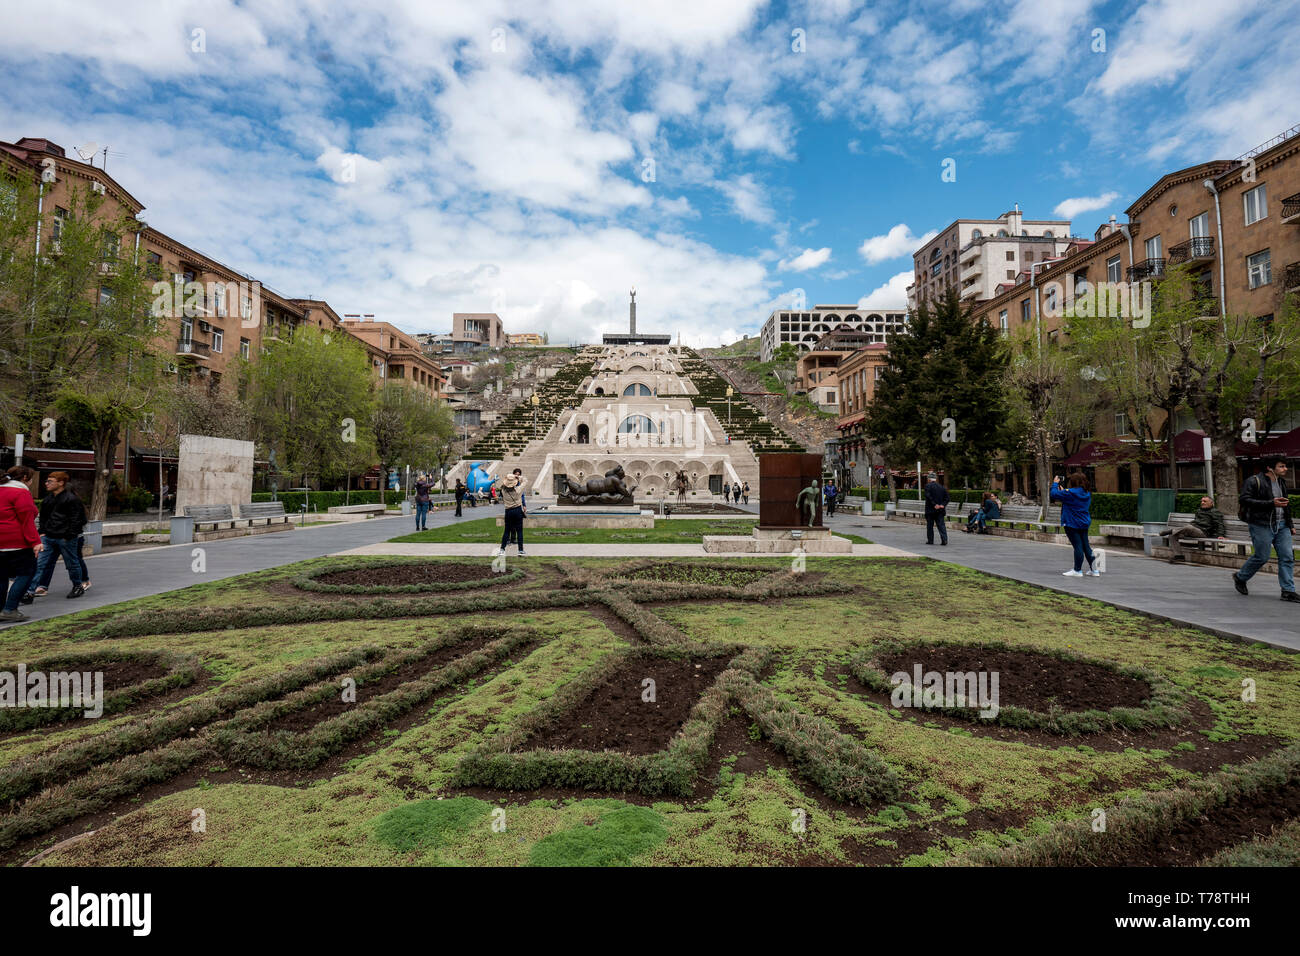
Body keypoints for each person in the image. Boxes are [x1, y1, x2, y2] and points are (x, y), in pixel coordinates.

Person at [1233, 457, 1295, 602]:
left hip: (1282, 525)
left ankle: (1288, 590)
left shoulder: (1281, 482)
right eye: (1282, 466)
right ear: (1270, 468)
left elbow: (1286, 505)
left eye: (1285, 466)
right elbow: (1244, 499)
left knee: (1287, 557)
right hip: (1261, 524)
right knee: (1262, 556)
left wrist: (1290, 525)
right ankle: (1241, 577)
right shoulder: (1254, 481)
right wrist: (1270, 503)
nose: (1285, 469)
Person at [28, 471, 88, 599]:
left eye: (50, 481)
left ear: (61, 483)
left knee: (71, 564)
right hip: (49, 537)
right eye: (46, 481)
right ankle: (30, 592)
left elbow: (78, 519)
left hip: (65, 538)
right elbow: (43, 517)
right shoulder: (48, 499)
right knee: (39, 563)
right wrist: (43, 532)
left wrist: (69, 535)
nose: (46, 483)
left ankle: (77, 586)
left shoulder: (72, 499)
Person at [1, 466, 42, 623]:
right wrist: (36, 542)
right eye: (31, 478)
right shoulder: (21, 492)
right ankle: (10, 608)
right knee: (27, 573)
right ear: (25, 478)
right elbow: (27, 518)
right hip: (17, 541)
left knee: (1, 576)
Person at [1050, 473, 1099, 577]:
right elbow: (1071, 500)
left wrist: (1055, 484)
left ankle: (1077, 570)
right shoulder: (1087, 493)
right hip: (1084, 522)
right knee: (1086, 547)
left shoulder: (1070, 493)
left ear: (1073, 481)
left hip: (1072, 523)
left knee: (1078, 547)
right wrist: (1063, 491)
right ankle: (1095, 570)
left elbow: (1053, 494)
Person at [1159, 495, 1227, 564]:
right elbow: (1195, 522)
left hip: (1203, 532)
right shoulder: (1199, 510)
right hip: (1193, 530)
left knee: (1188, 527)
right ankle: (1179, 556)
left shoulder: (1215, 512)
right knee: (1172, 536)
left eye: (1205, 501)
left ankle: (1171, 530)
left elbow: (1220, 524)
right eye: (1202, 501)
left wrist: (1221, 535)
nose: (1202, 503)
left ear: (1211, 503)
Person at [494, 468, 527, 557]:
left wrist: (511, 477)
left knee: (506, 531)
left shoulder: (503, 491)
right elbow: (525, 480)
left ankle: (502, 549)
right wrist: (517, 477)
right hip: (517, 510)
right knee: (519, 531)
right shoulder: (518, 490)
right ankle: (520, 550)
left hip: (508, 511)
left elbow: (503, 484)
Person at [923, 472, 949, 545]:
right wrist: (942, 505)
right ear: (935, 479)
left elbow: (928, 496)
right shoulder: (942, 487)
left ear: (929, 479)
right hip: (940, 510)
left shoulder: (927, 486)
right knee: (941, 525)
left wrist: (934, 504)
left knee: (930, 526)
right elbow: (947, 498)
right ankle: (944, 540)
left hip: (930, 510)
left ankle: (930, 540)